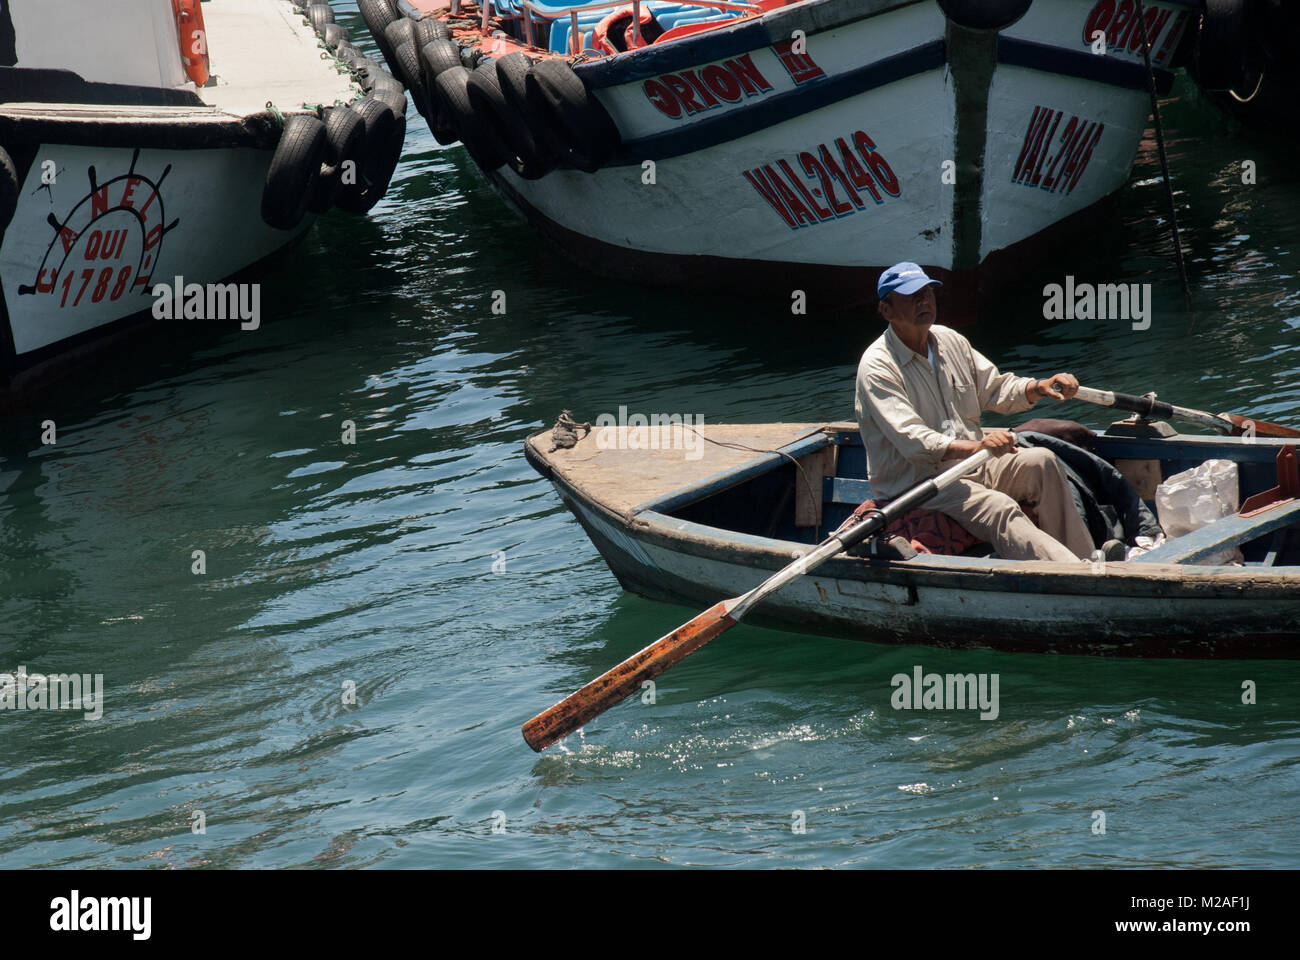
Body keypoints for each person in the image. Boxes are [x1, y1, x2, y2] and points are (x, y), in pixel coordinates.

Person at [854, 262, 1099, 563]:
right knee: (999, 508)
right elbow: (914, 441)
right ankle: (1072, 576)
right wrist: (978, 446)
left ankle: (1088, 559)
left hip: (974, 464)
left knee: (1042, 462)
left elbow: (995, 389)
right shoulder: (877, 366)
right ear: (886, 310)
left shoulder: (949, 340)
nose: (924, 301)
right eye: (911, 295)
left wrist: (1039, 386)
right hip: (921, 484)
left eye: (927, 292)